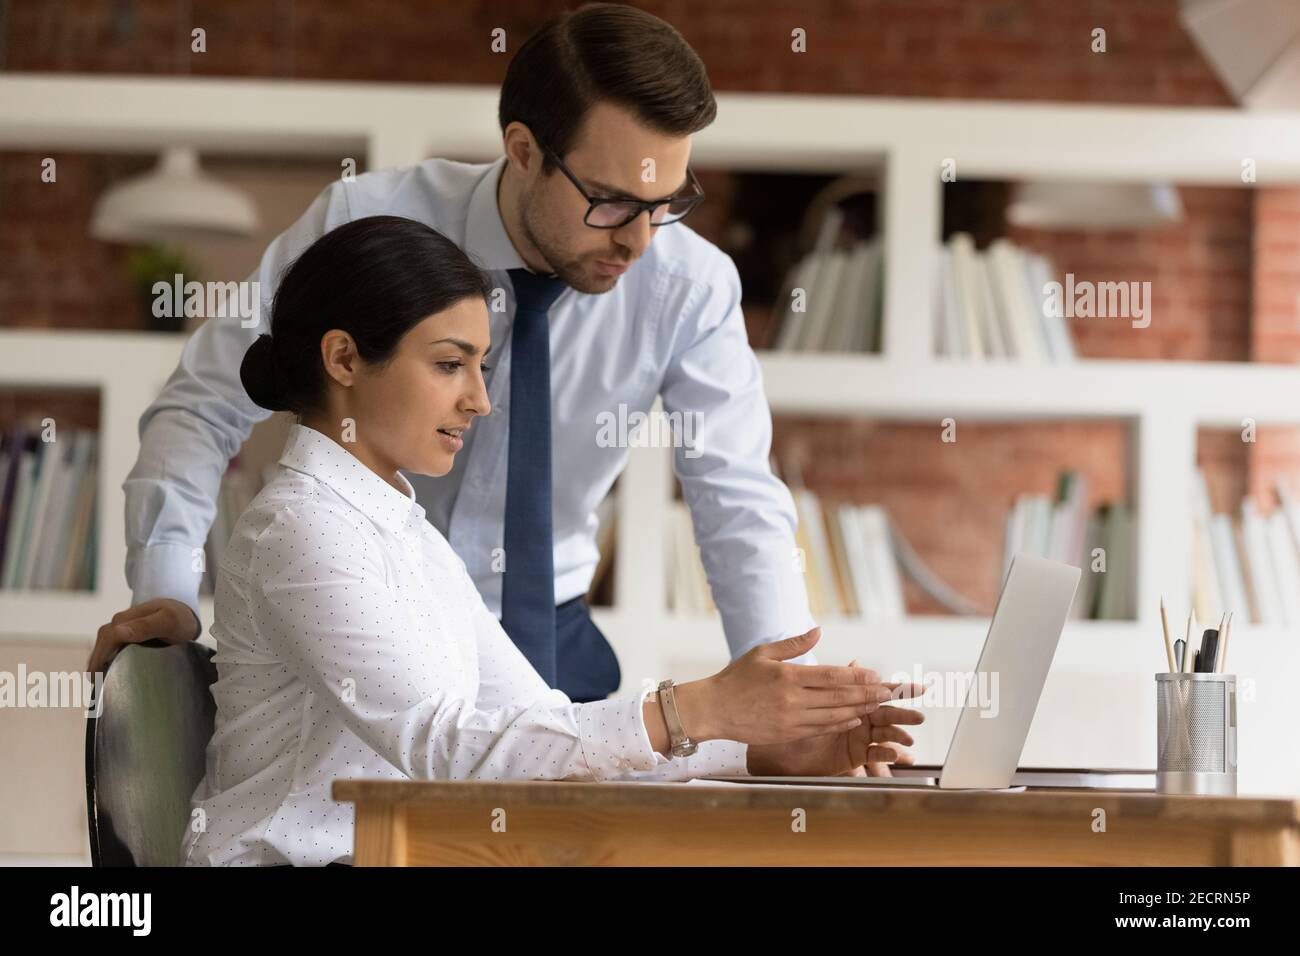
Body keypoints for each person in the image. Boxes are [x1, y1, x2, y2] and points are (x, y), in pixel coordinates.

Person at [91, 2, 906, 776]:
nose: (640, 240)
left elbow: (735, 496)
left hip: (546, 642)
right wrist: (164, 596)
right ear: (522, 149)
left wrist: (784, 713)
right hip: (366, 624)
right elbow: (204, 401)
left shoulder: (687, 282)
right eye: (613, 201)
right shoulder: (368, 225)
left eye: (667, 204)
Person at [179, 215, 922, 865]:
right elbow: (449, 752)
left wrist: (763, 751)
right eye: (448, 364)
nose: (480, 398)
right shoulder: (303, 529)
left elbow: (539, 736)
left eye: (480, 364)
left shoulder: (401, 529)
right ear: (344, 360)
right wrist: (705, 708)